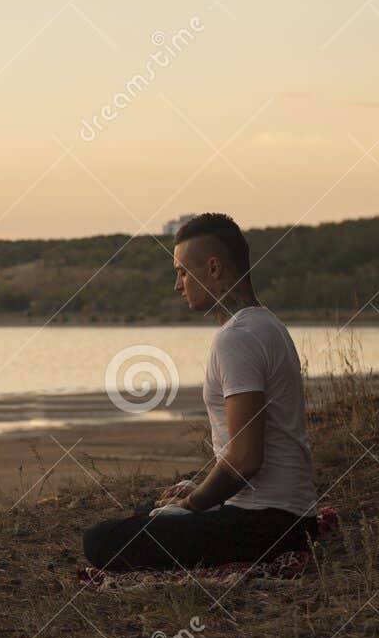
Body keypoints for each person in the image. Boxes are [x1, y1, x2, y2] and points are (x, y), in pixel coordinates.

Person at [82, 213, 320, 571]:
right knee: (148, 512)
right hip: (290, 517)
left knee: (101, 540)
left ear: (213, 268)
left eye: (182, 272)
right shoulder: (267, 323)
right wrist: (195, 494)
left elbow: (245, 460)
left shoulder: (236, 339)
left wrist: (193, 504)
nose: (178, 285)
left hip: (269, 524)